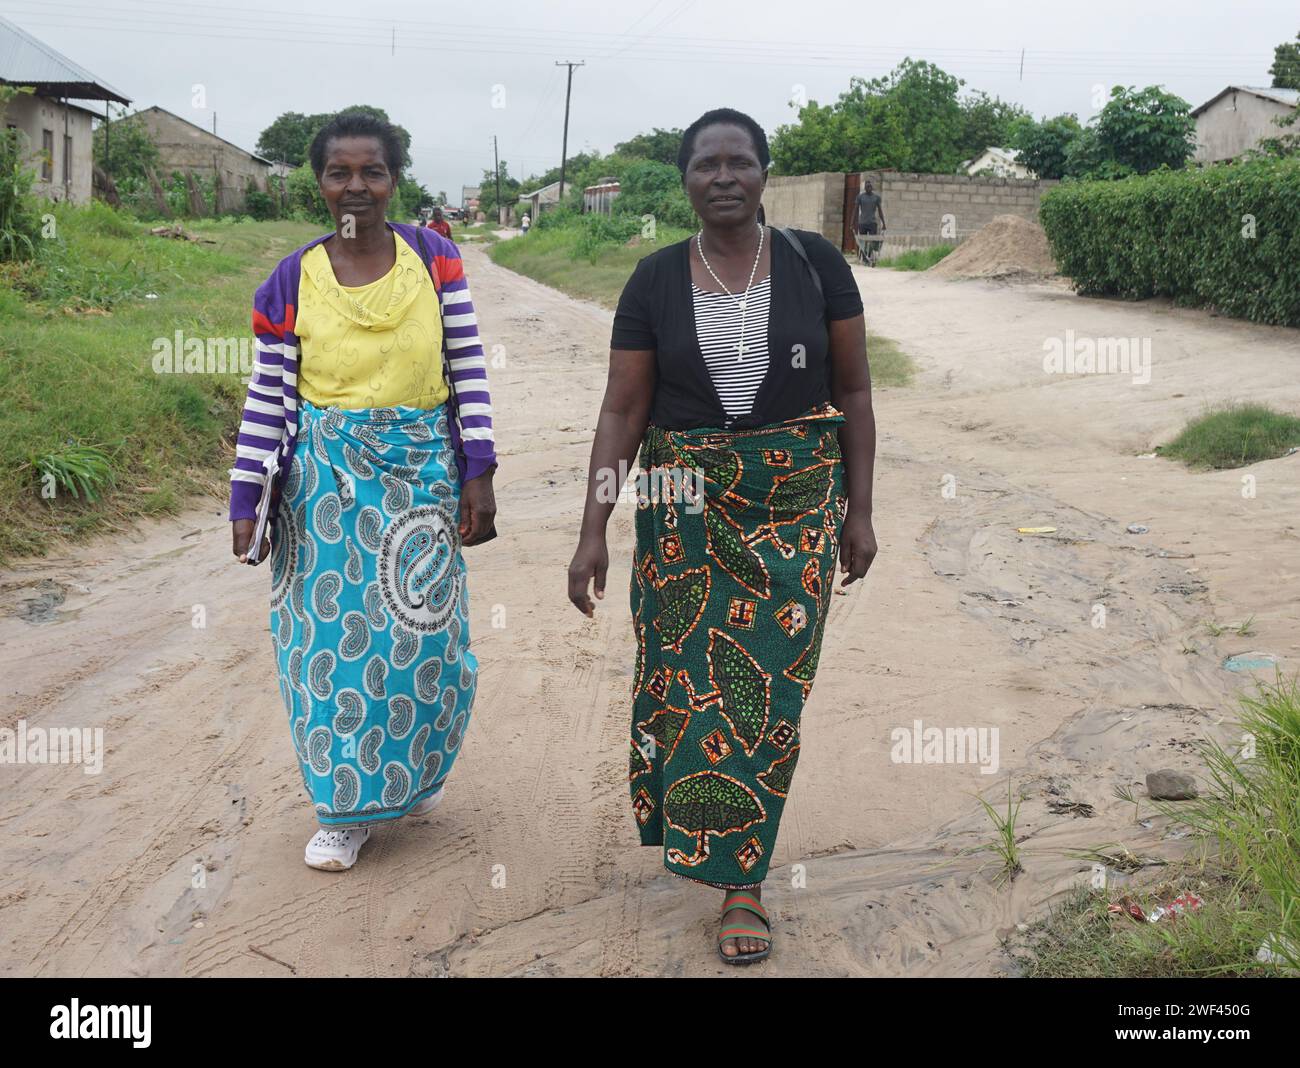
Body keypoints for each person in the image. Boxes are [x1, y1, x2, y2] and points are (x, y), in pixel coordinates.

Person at [567, 107, 877, 963]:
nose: (725, 176)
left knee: (767, 693)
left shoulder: (817, 266)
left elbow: (852, 393)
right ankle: (712, 840)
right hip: (679, 504)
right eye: (707, 164)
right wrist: (592, 527)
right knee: (687, 682)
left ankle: (742, 877)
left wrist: (862, 507)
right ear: (686, 179)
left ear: (766, 173)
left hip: (792, 505)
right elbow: (623, 410)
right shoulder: (654, 278)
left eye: (741, 161)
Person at [229, 111, 499, 872]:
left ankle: (411, 776)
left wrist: (478, 469)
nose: (356, 188)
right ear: (319, 182)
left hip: (422, 478)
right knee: (327, 647)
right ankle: (344, 808)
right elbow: (267, 397)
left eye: (371, 172)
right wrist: (247, 497)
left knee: (424, 642)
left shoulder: (435, 260)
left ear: (394, 180)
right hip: (322, 487)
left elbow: (468, 368)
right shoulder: (291, 280)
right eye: (339, 173)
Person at [855, 180, 886, 266]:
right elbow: (855, 210)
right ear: (865, 188)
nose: (869, 188)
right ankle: (862, 258)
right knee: (861, 241)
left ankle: (869, 257)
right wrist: (852, 223)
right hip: (862, 223)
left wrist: (884, 223)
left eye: (870, 186)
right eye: (867, 186)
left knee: (873, 241)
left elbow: (880, 211)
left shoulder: (876, 198)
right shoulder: (860, 197)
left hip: (872, 223)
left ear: (872, 188)